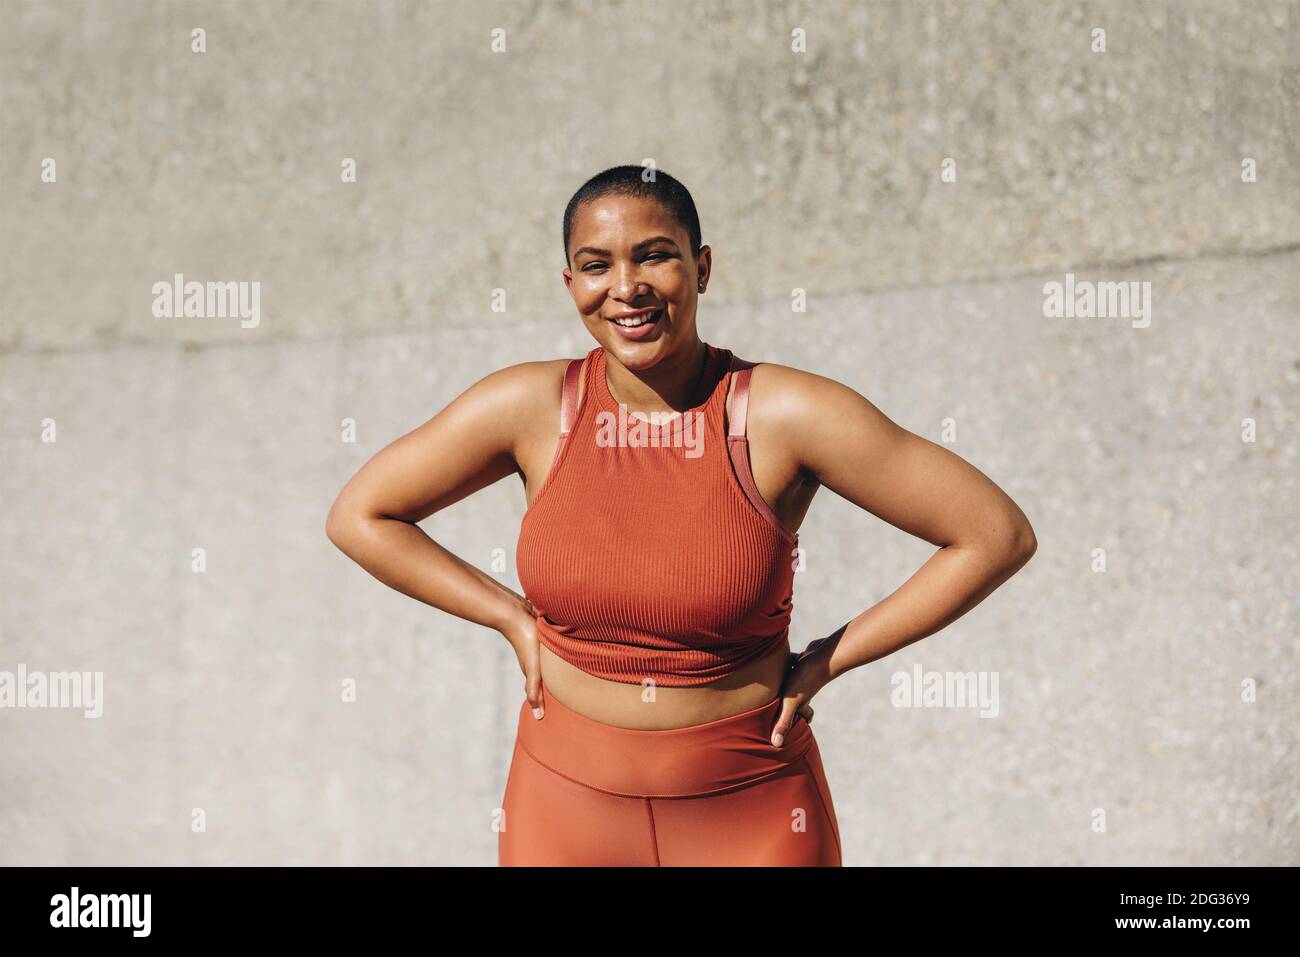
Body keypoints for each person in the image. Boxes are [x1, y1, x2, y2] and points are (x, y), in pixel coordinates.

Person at [325, 165, 1037, 866]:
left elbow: (993, 534)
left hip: (751, 810)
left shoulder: (785, 414)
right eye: (596, 264)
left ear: (701, 266)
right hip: (561, 810)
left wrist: (828, 658)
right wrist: (510, 617)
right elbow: (362, 514)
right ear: (570, 284)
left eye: (655, 255)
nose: (626, 287)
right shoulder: (529, 408)